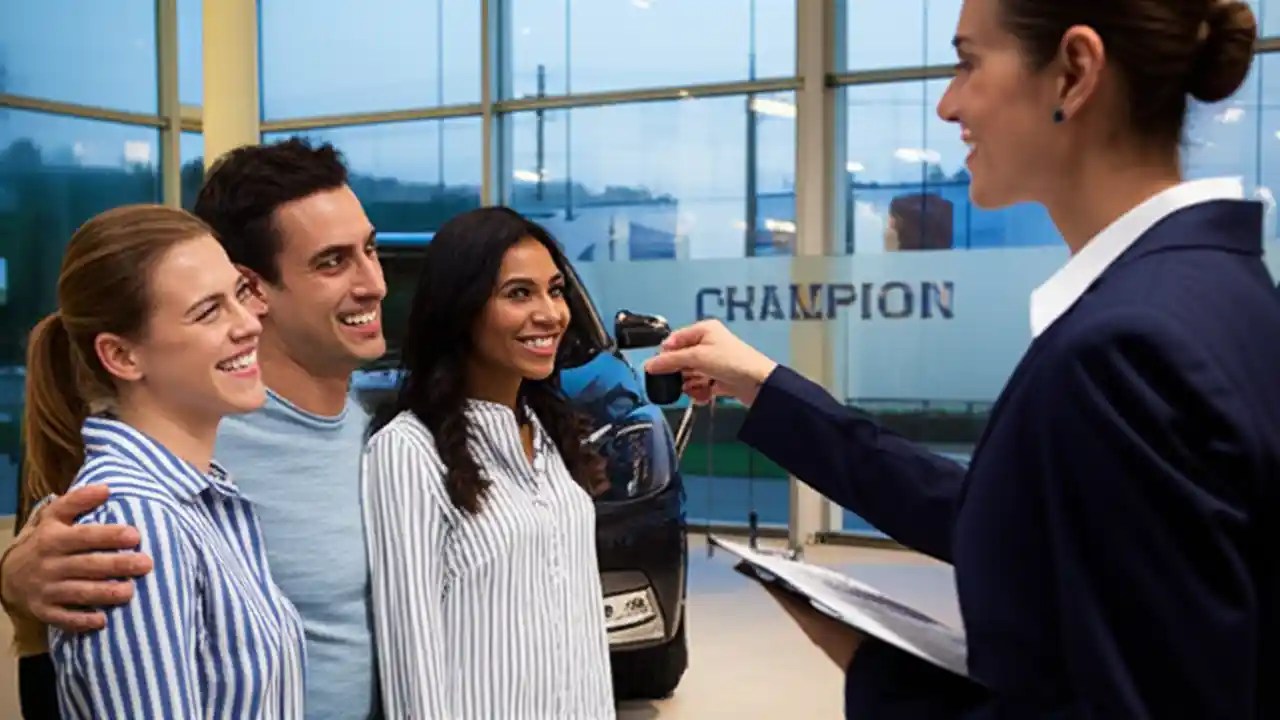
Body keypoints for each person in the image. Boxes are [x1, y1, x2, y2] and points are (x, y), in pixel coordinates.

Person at [646, 0, 1280, 717]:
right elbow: (1000, 517)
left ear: (1074, 72)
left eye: (969, 62)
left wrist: (880, 676)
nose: (948, 105)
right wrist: (765, 387)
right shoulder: (1220, 296)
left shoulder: (1123, 349)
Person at [2, 138, 387, 720]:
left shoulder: (373, 434)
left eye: (371, 249)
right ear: (262, 287)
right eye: (331, 261)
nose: (374, 283)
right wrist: (15, 580)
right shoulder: (157, 491)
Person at [19, 204, 305, 718]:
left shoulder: (197, 497)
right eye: (207, 311)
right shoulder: (136, 521)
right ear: (123, 357)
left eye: (239, 294)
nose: (249, 324)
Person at [362, 207, 615, 719]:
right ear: (462, 309)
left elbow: (586, 641)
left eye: (555, 289)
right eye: (519, 294)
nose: (550, 314)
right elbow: (412, 654)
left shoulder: (546, 437)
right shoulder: (407, 450)